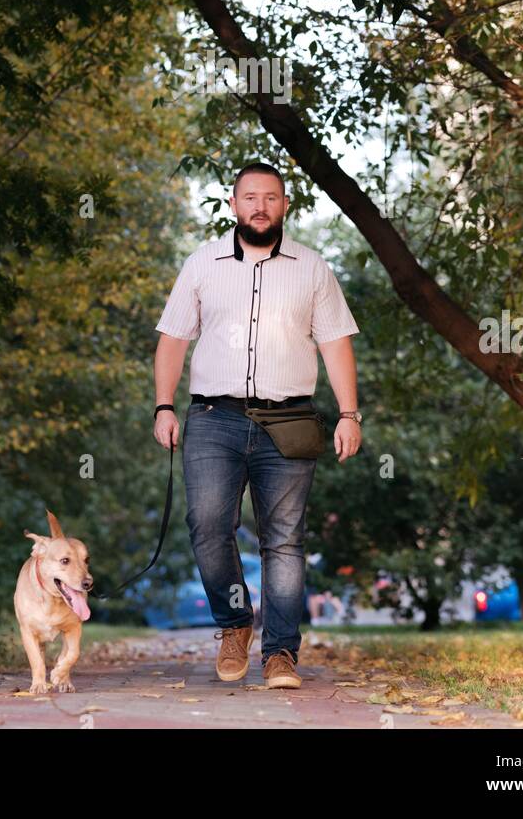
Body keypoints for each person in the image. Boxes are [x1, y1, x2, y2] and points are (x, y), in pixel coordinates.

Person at [152, 162, 362, 689]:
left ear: (285, 205)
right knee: (206, 525)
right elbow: (174, 340)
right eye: (250, 197)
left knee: (285, 540)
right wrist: (163, 406)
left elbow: (336, 343)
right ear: (233, 204)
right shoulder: (202, 264)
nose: (260, 206)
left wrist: (349, 413)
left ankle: (281, 655)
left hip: (289, 419)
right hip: (211, 418)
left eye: (270, 197)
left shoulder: (312, 268)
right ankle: (234, 624)